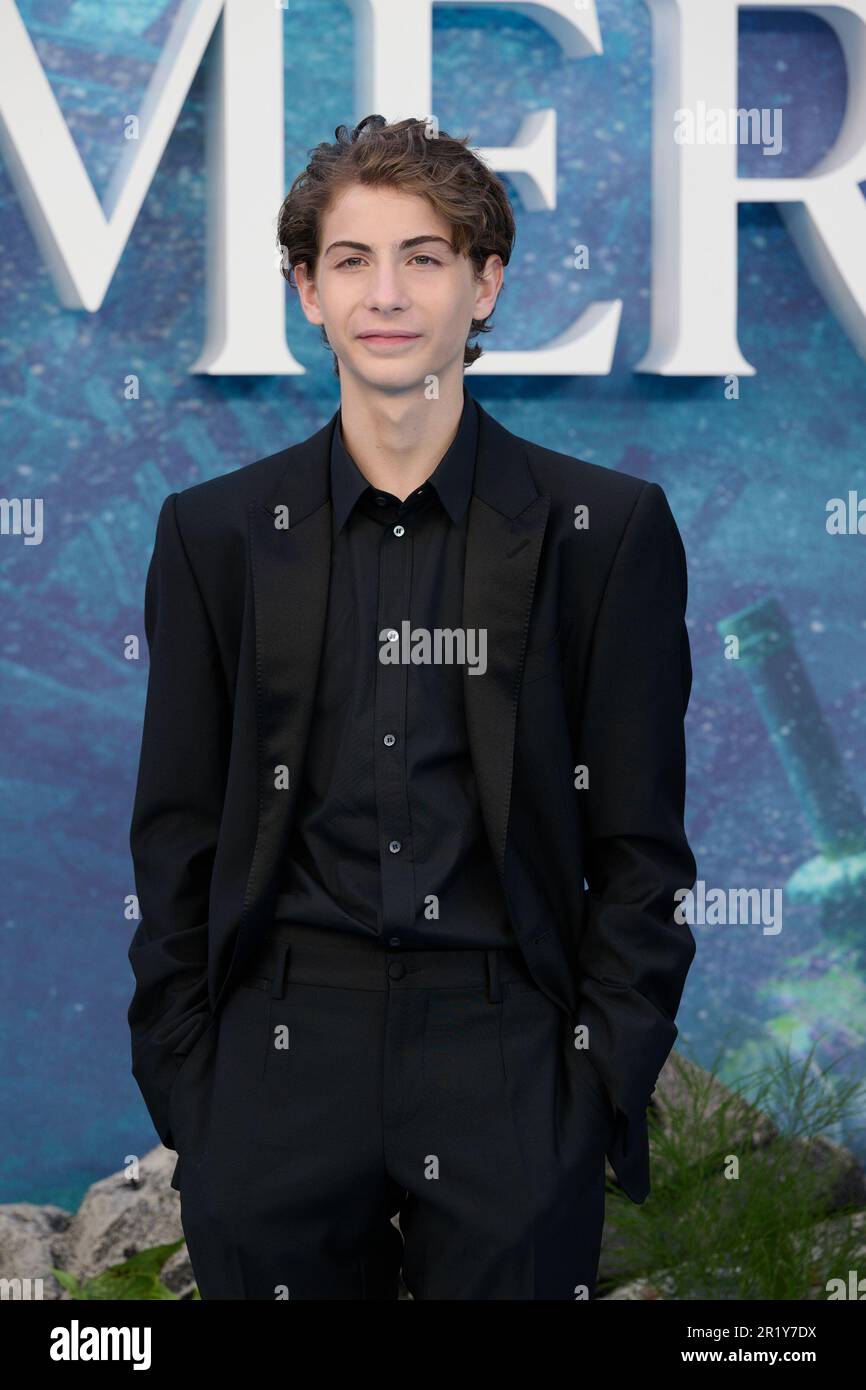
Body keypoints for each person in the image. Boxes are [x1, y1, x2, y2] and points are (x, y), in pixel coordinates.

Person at [127, 114, 697, 1301]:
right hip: (278, 1058)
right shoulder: (215, 534)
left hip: (505, 1053)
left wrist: (590, 1086)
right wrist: (194, 1083)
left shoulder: (606, 531)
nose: (386, 294)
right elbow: (175, 831)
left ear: (484, 285)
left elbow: (639, 849)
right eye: (350, 260)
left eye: (424, 257)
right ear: (304, 290)